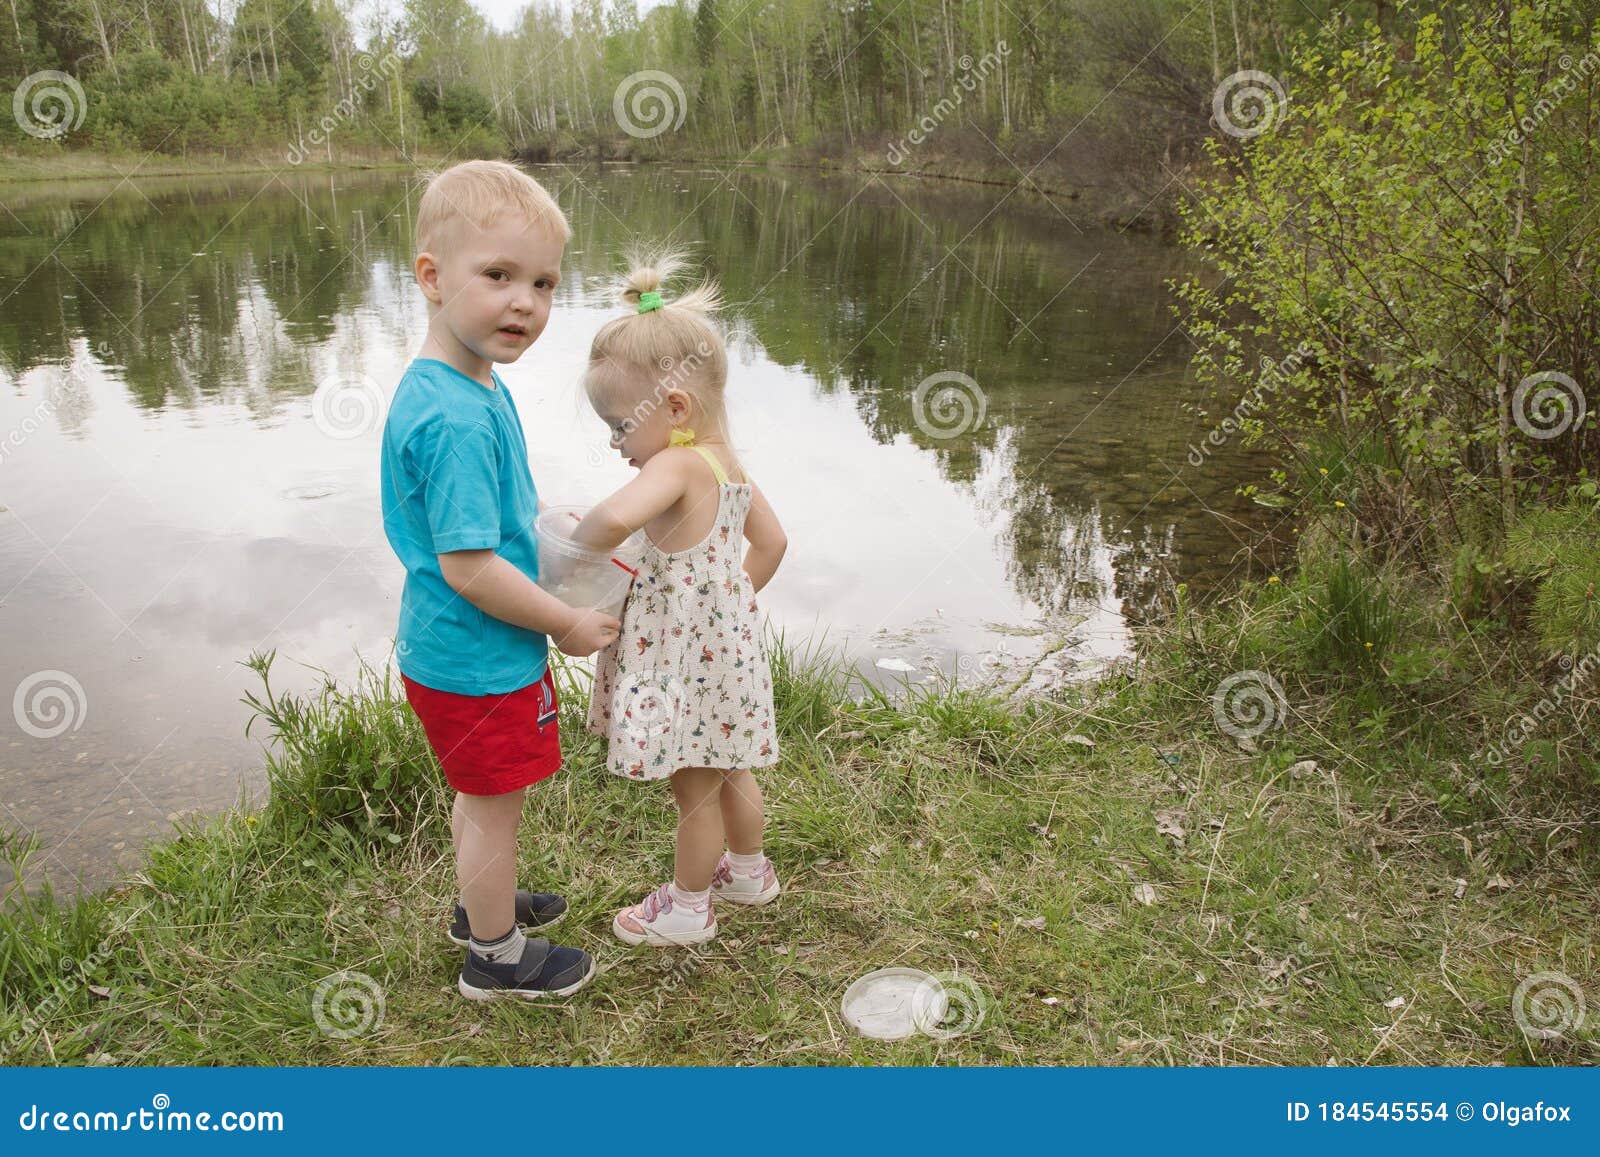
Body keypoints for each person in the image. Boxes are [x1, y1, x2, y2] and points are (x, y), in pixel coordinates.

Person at [380, 160, 620, 1000]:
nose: (526, 301)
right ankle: (495, 956)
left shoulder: (471, 382)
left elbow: (490, 519)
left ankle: (484, 901)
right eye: (499, 275)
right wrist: (563, 619)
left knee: (487, 798)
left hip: (456, 645)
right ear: (433, 278)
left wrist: (546, 523)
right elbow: (470, 565)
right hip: (476, 653)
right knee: (492, 805)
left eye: (545, 283)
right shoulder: (452, 416)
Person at [572, 250, 787, 947]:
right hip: (726, 655)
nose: (615, 444)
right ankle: (748, 872)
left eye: (618, 425)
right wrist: (728, 608)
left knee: (693, 787)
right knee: (730, 765)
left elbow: (610, 522)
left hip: (683, 668)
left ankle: (689, 907)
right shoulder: (727, 464)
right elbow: (773, 543)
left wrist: (575, 543)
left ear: (672, 407)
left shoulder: (674, 462)